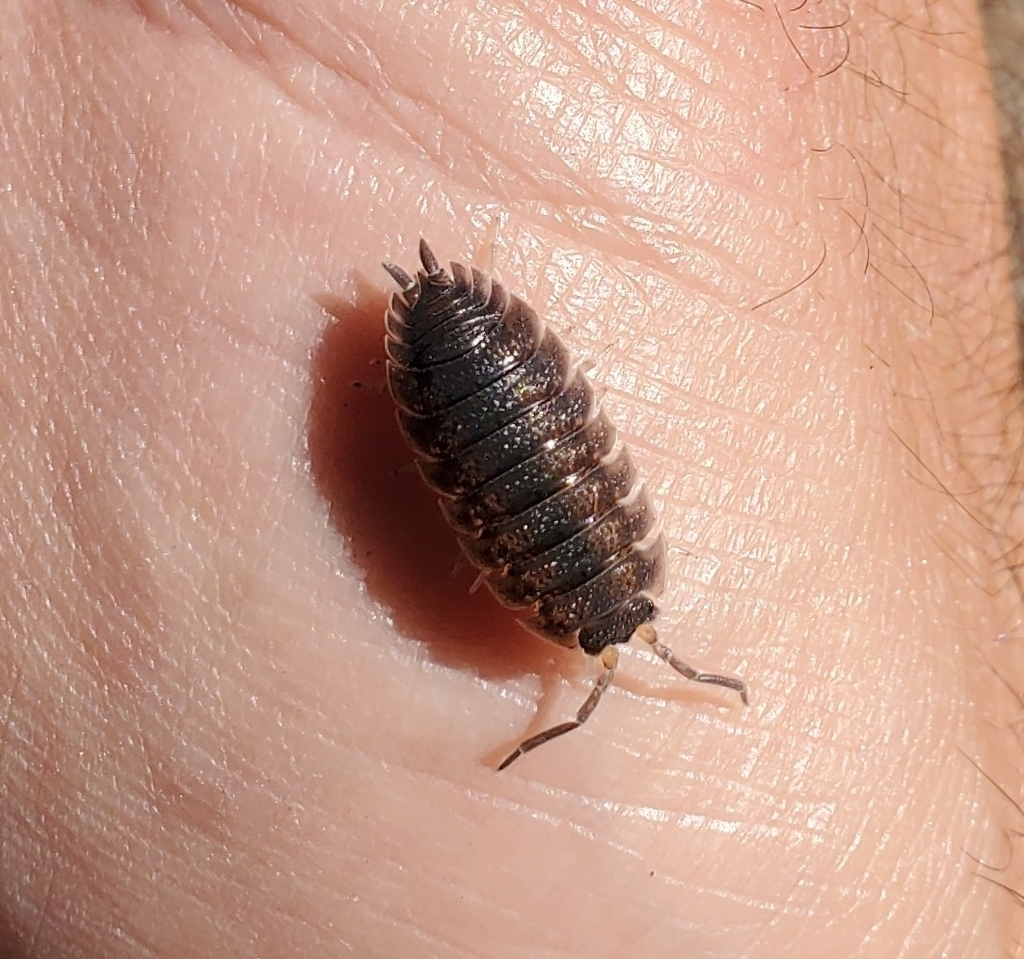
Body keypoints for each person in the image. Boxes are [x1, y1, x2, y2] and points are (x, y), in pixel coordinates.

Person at [0, 1, 1019, 956]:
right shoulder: (541, 580)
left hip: (482, 381)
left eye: (589, 636)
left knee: (499, 457)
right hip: (484, 365)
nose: (601, 646)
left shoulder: (590, 558)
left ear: (538, 595)